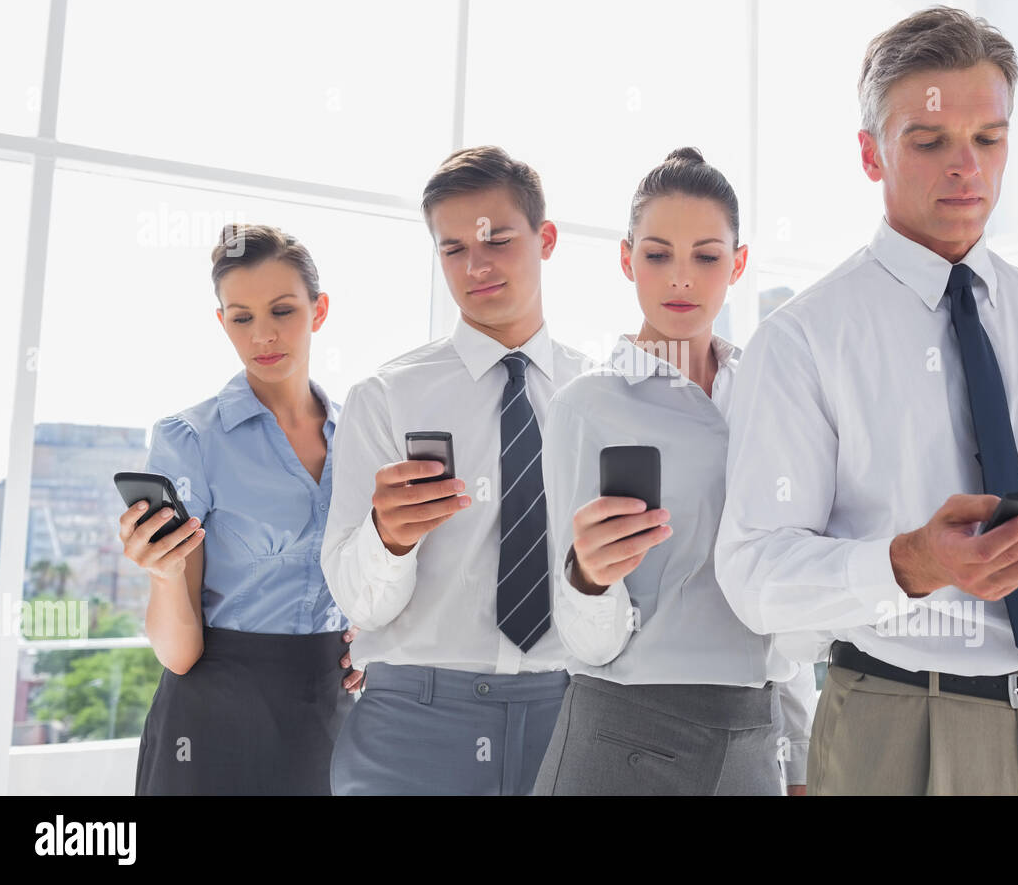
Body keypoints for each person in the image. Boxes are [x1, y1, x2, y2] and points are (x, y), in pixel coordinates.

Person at [715, 6, 1018, 796]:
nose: (964, 167)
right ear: (871, 154)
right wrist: (910, 563)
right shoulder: (803, 339)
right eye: (928, 141)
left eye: (988, 139)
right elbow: (753, 569)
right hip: (897, 737)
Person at [532, 148, 816, 796]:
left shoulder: (771, 400)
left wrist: (799, 757)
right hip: (621, 734)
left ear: (738, 264)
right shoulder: (585, 405)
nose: (681, 279)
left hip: (753, 736)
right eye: (658, 255)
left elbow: (785, 586)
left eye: (707, 256)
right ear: (627, 258)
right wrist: (589, 575)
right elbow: (582, 639)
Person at [323, 146, 592, 795]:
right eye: (452, 249)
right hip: (411, 726)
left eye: (497, 238)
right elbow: (358, 602)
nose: (476, 265)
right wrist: (389, 538)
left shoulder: (601, 397)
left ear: (545, 238)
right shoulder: (385, 397)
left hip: (571, 718)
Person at [122, 224, 360, 796]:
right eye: (242, 317)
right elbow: (180, 655)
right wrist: (164, 572)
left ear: (319, 310)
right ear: (222, 321)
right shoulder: (190, 440)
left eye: (283, 310)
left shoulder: (363, 436)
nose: (264, 336)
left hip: (331, 715)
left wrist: (378, 640)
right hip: (211, 726)